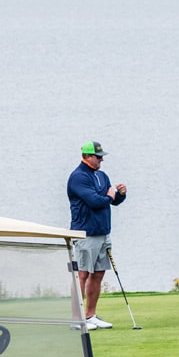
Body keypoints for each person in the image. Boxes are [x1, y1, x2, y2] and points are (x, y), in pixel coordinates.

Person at [67, 141, 126, 330]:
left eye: (101, 156)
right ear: (87, 156)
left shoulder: (101, 175)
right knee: (81, 274)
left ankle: (90, 315)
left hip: (102, 232)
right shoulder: (78, 177)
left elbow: (111, 201)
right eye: (98, 156)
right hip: (85, 233)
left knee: (98, 274)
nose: (101, 160)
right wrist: (109, 196)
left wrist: (120, 195)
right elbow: (94, 201)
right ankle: (77, 319)